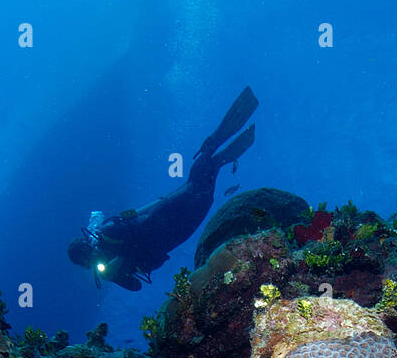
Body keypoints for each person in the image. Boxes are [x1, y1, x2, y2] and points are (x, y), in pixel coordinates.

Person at [68, 87, 258, 290]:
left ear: (88, 246)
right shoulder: (107, 273)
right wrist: (117, 273)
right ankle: (219, 161)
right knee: (206, 195)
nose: (91, 261)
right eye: (85, 264)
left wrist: (123, 256)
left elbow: (133, 226)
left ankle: (212, 143)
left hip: (165, 214)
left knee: (196, 184)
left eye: (87, 255)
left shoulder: (105, 233)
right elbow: (135, 287)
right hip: (175, 236)